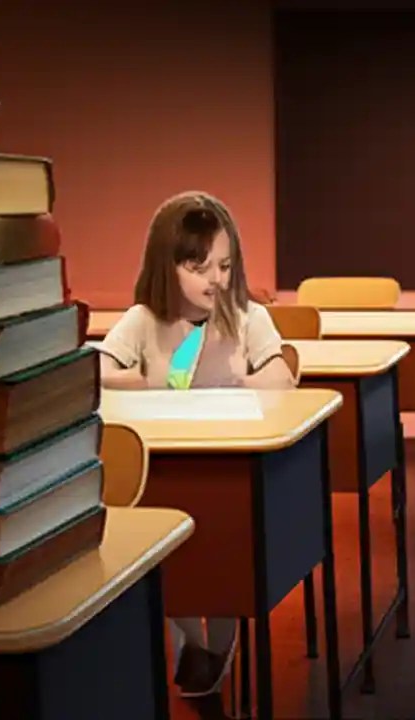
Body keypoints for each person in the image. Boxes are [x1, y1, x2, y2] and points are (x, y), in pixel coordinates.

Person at [97, 190, 296, 698]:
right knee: (169, 560)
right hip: (164, 470)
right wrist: (137, 379)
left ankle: (221, 640)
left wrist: (238, 384)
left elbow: (282, 376)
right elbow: (96, 368)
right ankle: (189, 642)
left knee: (226, 552)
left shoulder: (248, 317)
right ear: (167, 266)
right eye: (199, 265)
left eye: (225, 266)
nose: (217, 279)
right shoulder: (144, 319)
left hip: (229, 466)